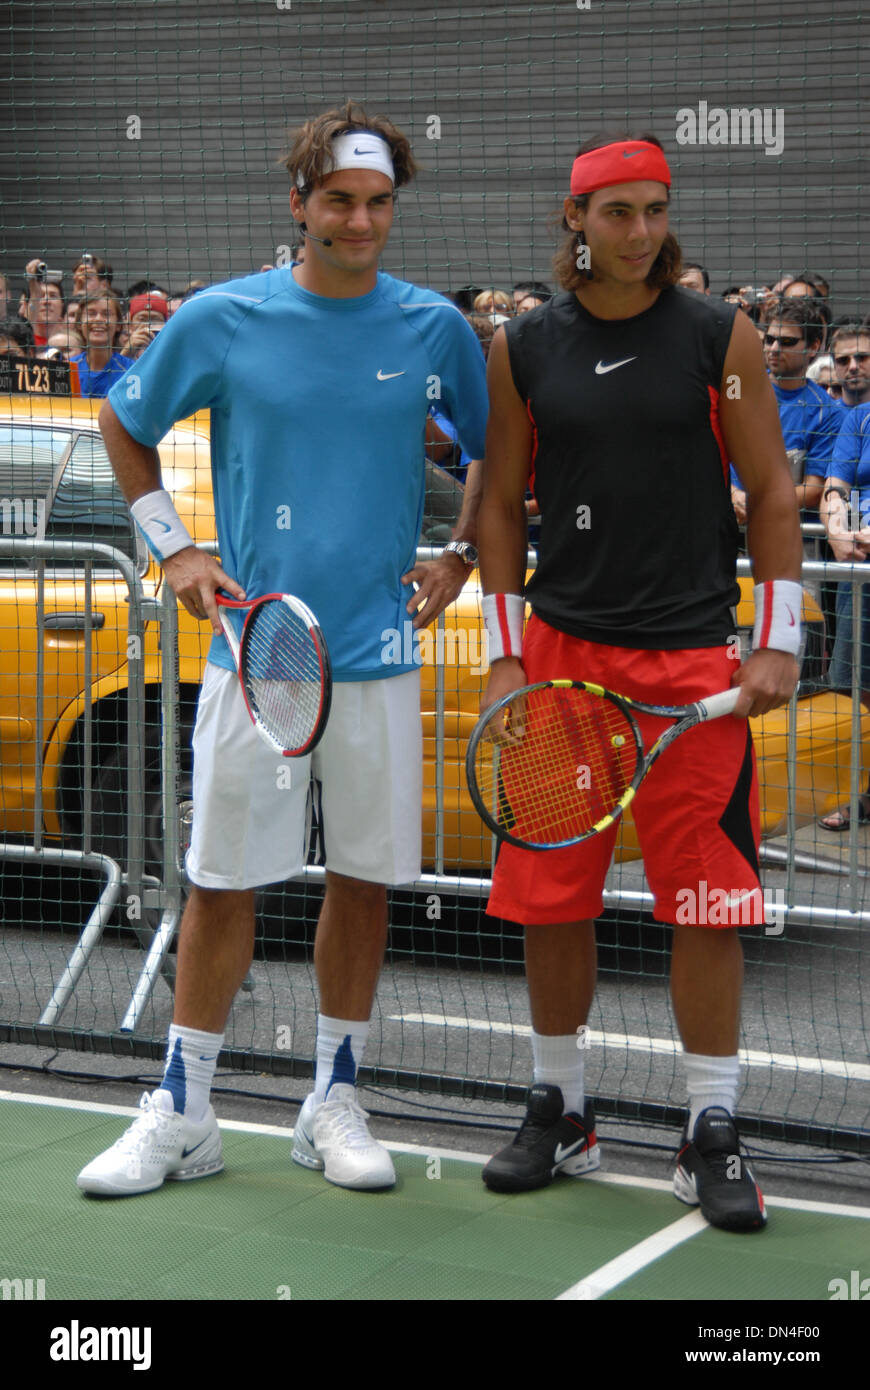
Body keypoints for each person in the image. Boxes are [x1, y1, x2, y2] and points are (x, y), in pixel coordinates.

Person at [77, 100, 487, 1198]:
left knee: (362, 882)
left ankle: (332, 1096)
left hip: (384, 659)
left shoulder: (434, 332)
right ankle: (184, 1107)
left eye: (380, 202)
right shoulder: (221, 319)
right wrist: (174, 549)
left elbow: (497, 451)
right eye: (340, 201)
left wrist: (456, 553)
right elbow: (124, 422)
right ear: (299, 203)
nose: (361, 221)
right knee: (219, 885)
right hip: (254, 659)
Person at [475, 132, 801, 1232]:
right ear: (576, 219)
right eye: (618, 212)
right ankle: (561, 1106)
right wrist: (504, 653)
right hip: (561, 660)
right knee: (546, 899)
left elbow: (768, 490)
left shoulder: (724, 335)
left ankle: (712, 1125)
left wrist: (776, 641)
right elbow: (500, 504)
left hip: (693, 662)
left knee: (706, 907)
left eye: (656, 210)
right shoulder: (521, 348)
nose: (641, 231)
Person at [730, 298, 841, 525]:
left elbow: (812, 491)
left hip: (785, 529)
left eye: (787, 341)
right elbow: (710, 455)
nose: (774, 349)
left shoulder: (826, 412)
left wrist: (753, 504)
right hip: (726, 521)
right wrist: (733, 494)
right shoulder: (736, 389)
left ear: (814, 347)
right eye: (769, 340)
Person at [817, 406, 870, 830]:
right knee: (856, 685)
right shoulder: (860, 419)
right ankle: (861, 793)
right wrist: (835, 525)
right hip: (862, 569)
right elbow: (833, 489)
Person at [70, 292, 133, 396]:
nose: (98, 319)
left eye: (106, 314)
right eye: (91, 313)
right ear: (79, 324)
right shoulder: (69, 369)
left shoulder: (130, 371)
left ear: (118, 325)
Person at [829, 323, 870, 409]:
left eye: (861, 357)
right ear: (834, 367)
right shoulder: (824, 417)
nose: (853, 366)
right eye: (843, 360)